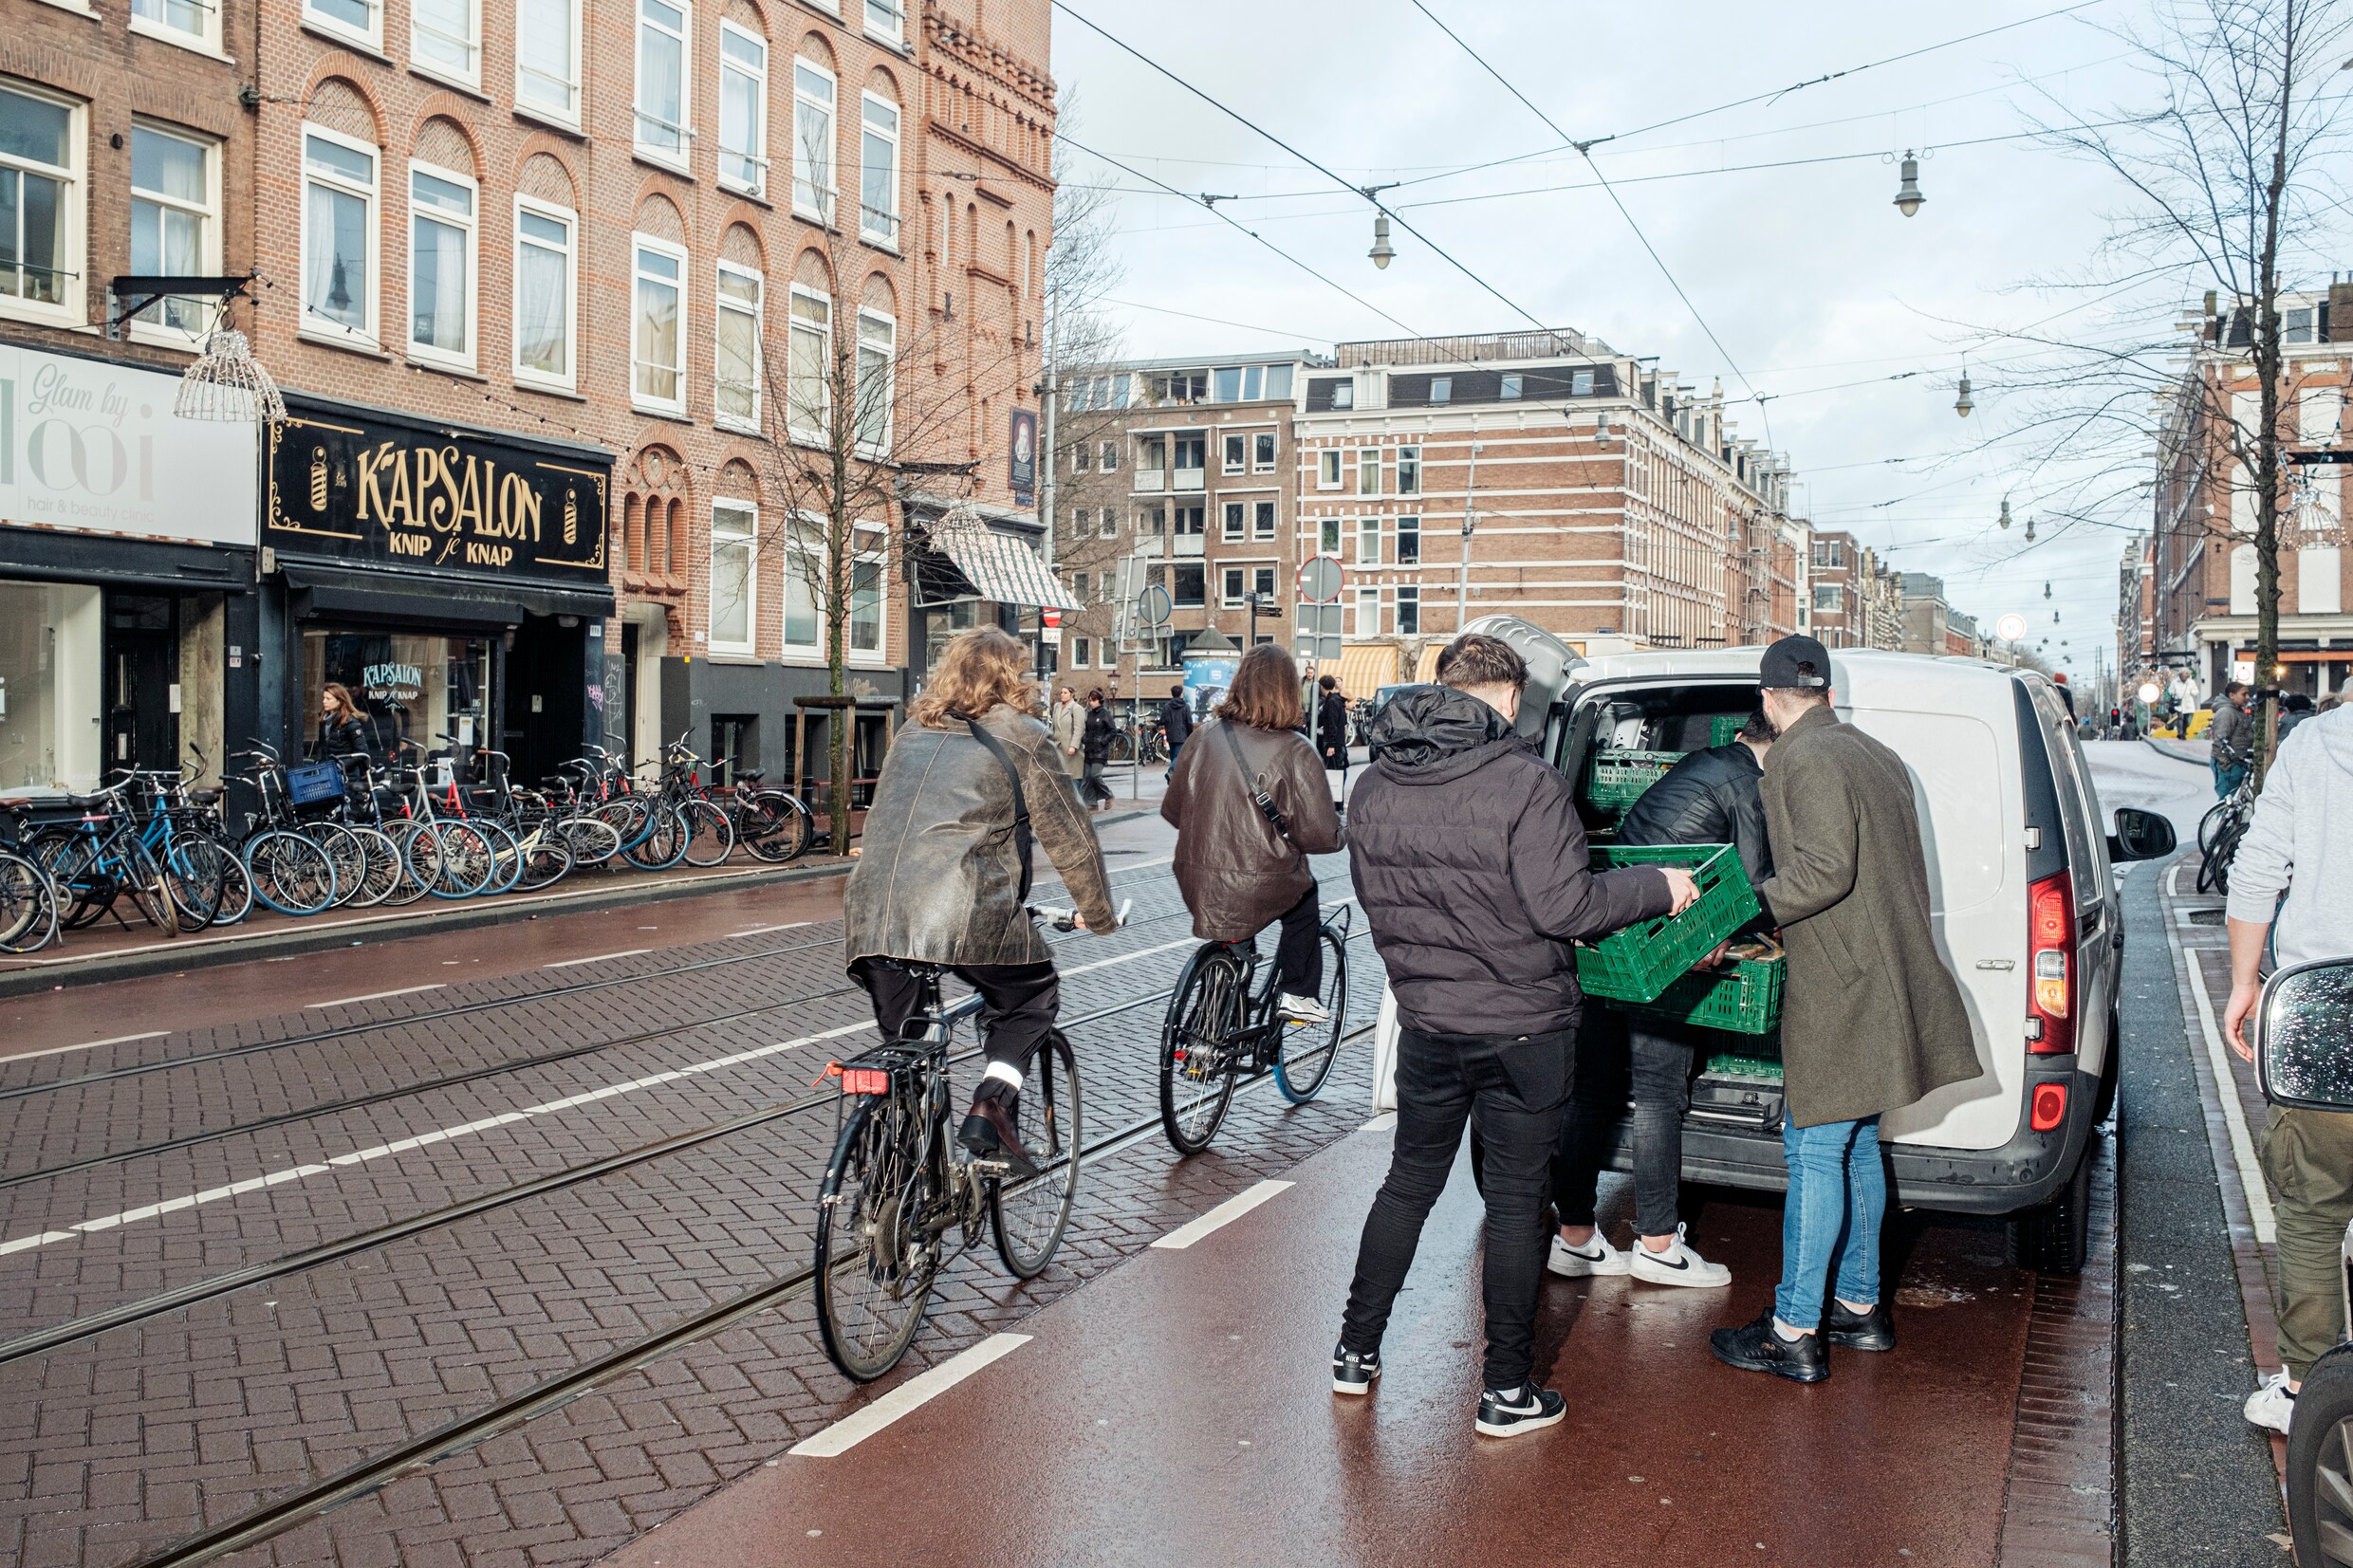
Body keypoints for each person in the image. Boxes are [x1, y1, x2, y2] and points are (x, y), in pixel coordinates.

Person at [1332, 633, 1697, 1438]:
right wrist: (1658, 885)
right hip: (1524, 1030)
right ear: (1506, 696)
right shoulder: (1525, 781)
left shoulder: (1374, 781)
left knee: (1407, 1185)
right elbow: (1568, 908)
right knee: (1514, 1204)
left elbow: (1377, 896)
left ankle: (1355, 1351)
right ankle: (1505, 1391)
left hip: (1429, 1023)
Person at [1709, 636, 1978, 1384]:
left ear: (1768, 698)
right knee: (1858, 1144)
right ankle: (1858, 1306)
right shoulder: (1875, 752)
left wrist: (1744, 910)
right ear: (1827, 691)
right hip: (1883, 977)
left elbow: (1825, 869)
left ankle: (1794, 1328)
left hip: (1843, 987)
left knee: (1814, 1149)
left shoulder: (1803, 757)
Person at [843, 629, 1117, 1177]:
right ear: (1013, 676)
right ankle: (992, 1107)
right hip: (964, 912)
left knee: (908, 1052)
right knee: (1031, 998)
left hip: (874, 915)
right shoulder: (1023, 736)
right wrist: (1099, 914)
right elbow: (1070, 837)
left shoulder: (910, 731)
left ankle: (896, 1192)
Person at [1553, 710, 1776, 1290]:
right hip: (1661, 944)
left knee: (1591, 1091)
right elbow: (1753, 885)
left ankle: (1573, 1237)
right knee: (1658, 1094)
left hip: (1612, 929)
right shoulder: (1749, 781)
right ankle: (1658, 1246)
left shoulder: (1703, 764)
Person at [2224, 695, 2353, 1434]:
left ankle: (2306, 1387)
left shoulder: (2315, 744)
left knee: (2311, 1207)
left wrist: (2245, 983)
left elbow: (2256, 871)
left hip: (2327, 1009)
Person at [1162, 645, 1343, 1024]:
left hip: (1197, 875)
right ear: (1288, 690)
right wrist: (1344, 832)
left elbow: (1173, 810)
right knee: (1304, 899)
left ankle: (1211, 1024)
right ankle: (1298, 993)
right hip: (1259, 880)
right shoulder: (1296, 749)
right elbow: (1319, 836)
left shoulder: (1203, 736)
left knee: (1235, 930)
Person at [2210, 681, 2252, 797]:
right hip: (2230, 765)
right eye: (2243, 694)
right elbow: (2220, 740)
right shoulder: (2227, 712)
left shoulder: (2235, 711)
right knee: (2227, 799)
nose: (2247, 697)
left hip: (2235, 763)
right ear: (2232, 695)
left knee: (2232, 799)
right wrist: (2225, 764)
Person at [1316, 673, 1351, 803]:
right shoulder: (1338, 701)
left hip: (1334, 743)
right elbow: (1342, 721)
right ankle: (1338, 801)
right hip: (1340, 741)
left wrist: (1331, 745)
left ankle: (1337, 803)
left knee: (1335, 772)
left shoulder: (1331, 702)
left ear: (1322, 687)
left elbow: (1331, 724)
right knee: (1340, 771)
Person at [317, 683, 375, 761]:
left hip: (345, 767)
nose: (324, 701)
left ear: (339, 701)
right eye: (324, 698)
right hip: (329, 766)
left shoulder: (351, 723)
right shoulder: (324, 720)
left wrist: (342, 765)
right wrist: (318, 762)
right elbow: (321, 747)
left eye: (328, 699)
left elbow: (362, 753)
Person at [1080, 689, 1116, 811]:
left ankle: (1108, 795)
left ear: (1099, 700)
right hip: (1089, 749)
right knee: (1087, 777)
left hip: (1100, 751)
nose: (1091, 703)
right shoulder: (1090, 714)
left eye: (1093, 700)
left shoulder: (1105, 713)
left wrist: (1103, 741)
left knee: (1095, 775)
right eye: (1090, 700)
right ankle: (1091, 802)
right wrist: (1084, 738)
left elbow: (1113, 731)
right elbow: (1088, 730)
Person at [1159, 683, 1195, 781]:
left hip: (1170, 734)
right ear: (1181, 694)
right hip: (1182, 735)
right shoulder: (1186, 706)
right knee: (1178, 756)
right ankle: (1171, 772)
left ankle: (1173, 779)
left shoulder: (1167, 706)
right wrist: (1190, 734)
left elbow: (1162, 720)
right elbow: (1189, 722)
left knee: (1173, 756)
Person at [1050, 685, 1085, 783]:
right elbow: (1053, 726)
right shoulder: (1057, 706)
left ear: (1072, 695)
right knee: (1060, 778)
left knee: (1073, 777)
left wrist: (1074, 746)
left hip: (1070, 748)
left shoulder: (1076, 708)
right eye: (1061, 692)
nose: (1062, 695)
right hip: (1058, 747)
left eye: (1065, 693)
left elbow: (1079, 729)